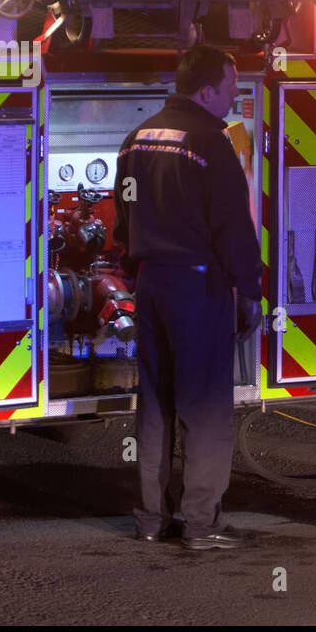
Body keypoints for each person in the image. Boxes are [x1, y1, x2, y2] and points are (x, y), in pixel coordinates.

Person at [114, 45, 264, 550]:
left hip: (152, 284)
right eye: (229, 87)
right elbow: (233, 228)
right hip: (198, 288)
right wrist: (250, 288)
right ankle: (201, 523)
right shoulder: (213, 142)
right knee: (203, 409)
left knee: (154, 405)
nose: (235, 96)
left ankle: (150, 520)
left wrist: (136, 265)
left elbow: (122, 216)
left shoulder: (136, 139)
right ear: (205, 90)